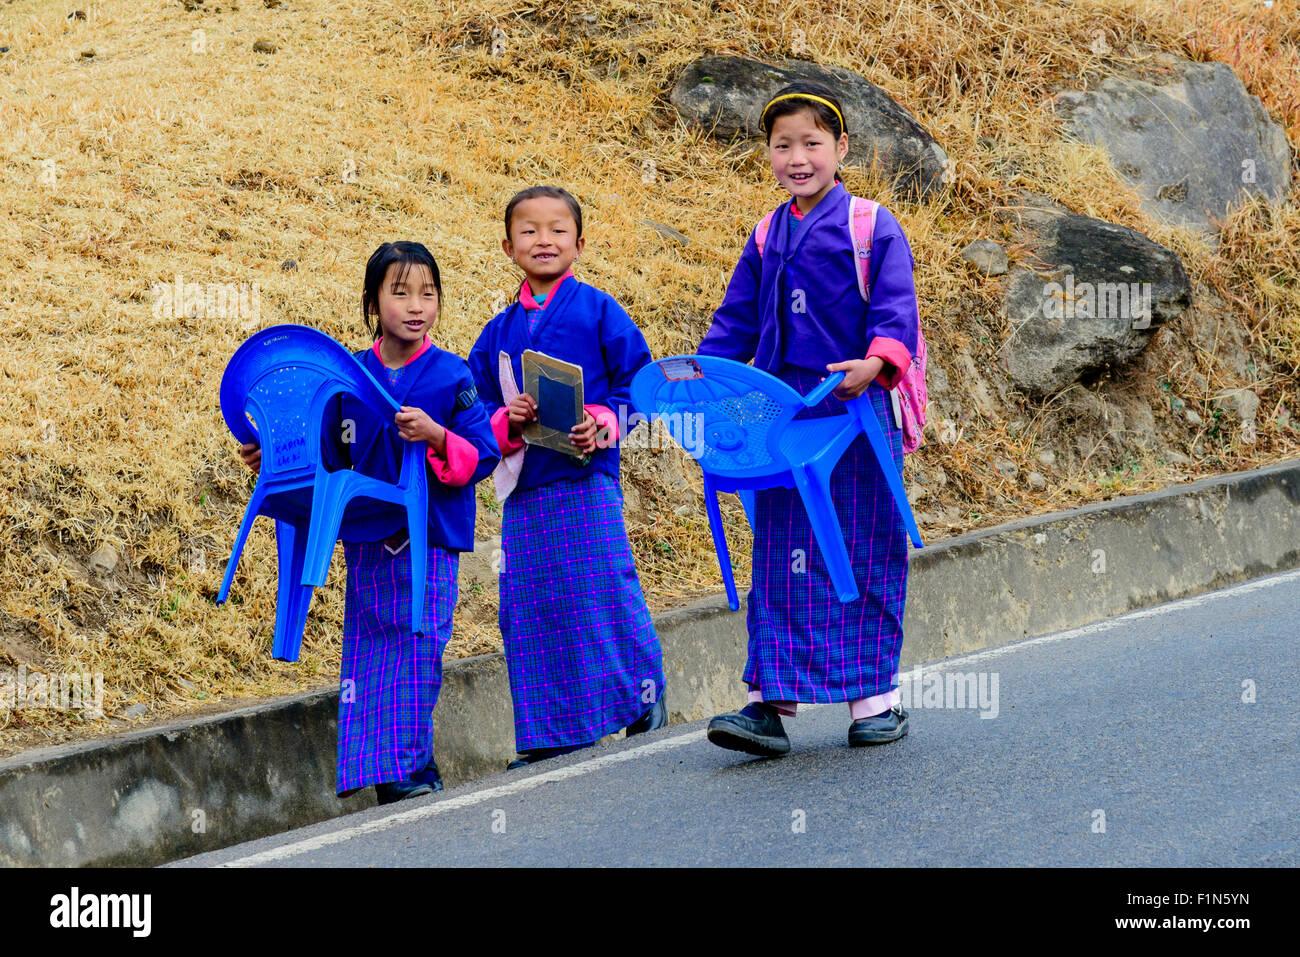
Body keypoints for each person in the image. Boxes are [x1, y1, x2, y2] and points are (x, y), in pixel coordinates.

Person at [697, 82, 920, 755]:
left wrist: (875, 365)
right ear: (768, 153)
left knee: (862, 542)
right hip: (781, 410)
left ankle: (873, 699)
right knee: (782, 550)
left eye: (812, 143)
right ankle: (771, 702)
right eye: (783, 144)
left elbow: (894, 314)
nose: (798, 157)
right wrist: (705, 377)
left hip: (854, 403)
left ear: (841, 148)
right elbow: (735, 322)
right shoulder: (766, 235)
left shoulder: (872, 226)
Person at [237, 241, 499, 802]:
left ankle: (411, 766)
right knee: (369, 653)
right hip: (365, 539)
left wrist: (436, 435)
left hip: (427, 536)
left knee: (419, 643)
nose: (415, 305)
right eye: (399, 292)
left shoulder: (453, 375)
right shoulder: (347, 376)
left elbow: (484, 451)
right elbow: (325, 452)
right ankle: (387, 774)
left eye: (428, 294)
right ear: (372, 302)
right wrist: (273, 452)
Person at [468, 186, 666, 769]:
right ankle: (551, 731)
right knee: (530, 608)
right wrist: (507, 420)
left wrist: (604, 421)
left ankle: (640, 700)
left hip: (587, 482)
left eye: (558, 230)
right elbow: (473, 407)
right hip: (525, 491)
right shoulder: (497, 333)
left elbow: (642, 385)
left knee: (602, 592)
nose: (544, 240)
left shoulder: (600, 310)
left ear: (580, 243)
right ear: (508, 247)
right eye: (529, 231)